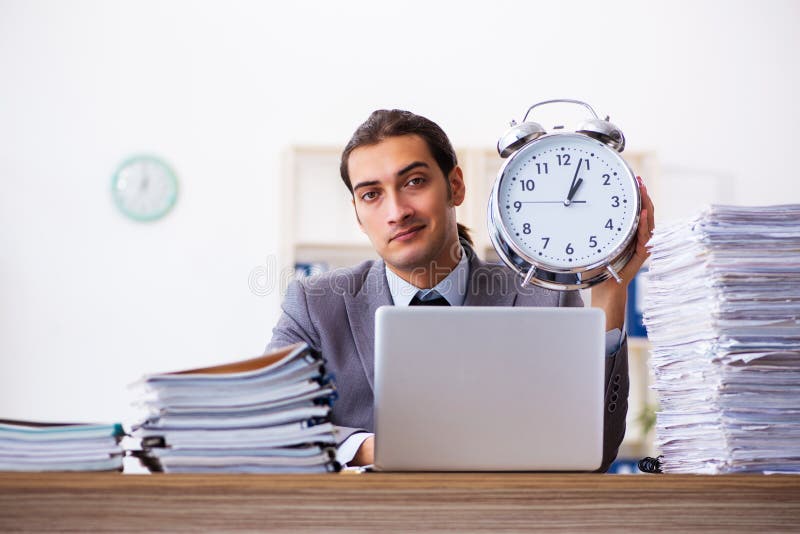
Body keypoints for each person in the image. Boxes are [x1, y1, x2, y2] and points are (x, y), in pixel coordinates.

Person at [268, 109, 655, 471]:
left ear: (455, 186)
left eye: (414, 182)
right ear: (357, 214)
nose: (397, 210)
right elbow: (269, 426)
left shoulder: (545, 297)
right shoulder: (314, 305)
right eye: (372, 194)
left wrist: (610, 292)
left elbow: (597, 451)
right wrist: (372, 448)